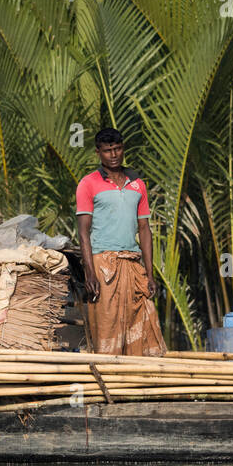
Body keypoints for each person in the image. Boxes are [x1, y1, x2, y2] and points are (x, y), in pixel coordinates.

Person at [75, 128, 167, 356]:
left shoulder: (138, 184)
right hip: (103, 263)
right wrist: (89, 272)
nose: (113, 155)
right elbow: (83, 232)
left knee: (143, 322)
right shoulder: (88, 183)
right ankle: (109, 379)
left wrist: (149, 273)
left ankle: (139, 380)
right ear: (98, 153)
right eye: (107, 151)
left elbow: (145, 229)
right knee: (107, 325)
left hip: (133, 264)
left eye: (117, 149)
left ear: (123, 149)